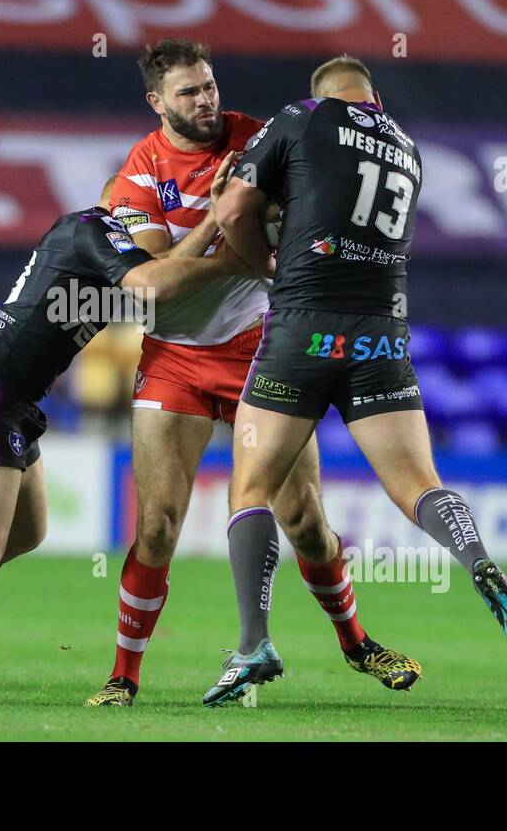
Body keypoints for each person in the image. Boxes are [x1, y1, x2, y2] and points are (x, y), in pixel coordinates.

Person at [0, 159, 249, 704]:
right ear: (124, 204)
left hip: (16, 401)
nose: (150, 223)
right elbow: (154, 283)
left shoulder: (112, 248)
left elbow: (162, 269)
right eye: (143, 212)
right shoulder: (92, 227)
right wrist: (227, 242)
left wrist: (214, 230)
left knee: (28, 532)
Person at [87, 39, 419, 708]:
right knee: (156, 525)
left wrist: (253, 241)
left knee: (305, 519)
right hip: (175, 359)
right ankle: (123, 676)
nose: (206, 100)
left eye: (209, 85)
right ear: (157, 103)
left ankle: (356, 643)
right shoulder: (136, 177)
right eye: (189, 92)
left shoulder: (263, 134)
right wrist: (230, 229)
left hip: (264, 352)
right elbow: (158, 288)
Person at [211, 55, 507, 704]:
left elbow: (230, 212)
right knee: (420, 486)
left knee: (251, 485)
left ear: (321, 94)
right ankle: (479, 562)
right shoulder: (408, 149)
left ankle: (254, 642)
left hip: (302, 329)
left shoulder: (301, 119)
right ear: (374, 97)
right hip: (381, 335)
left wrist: (271, 266)